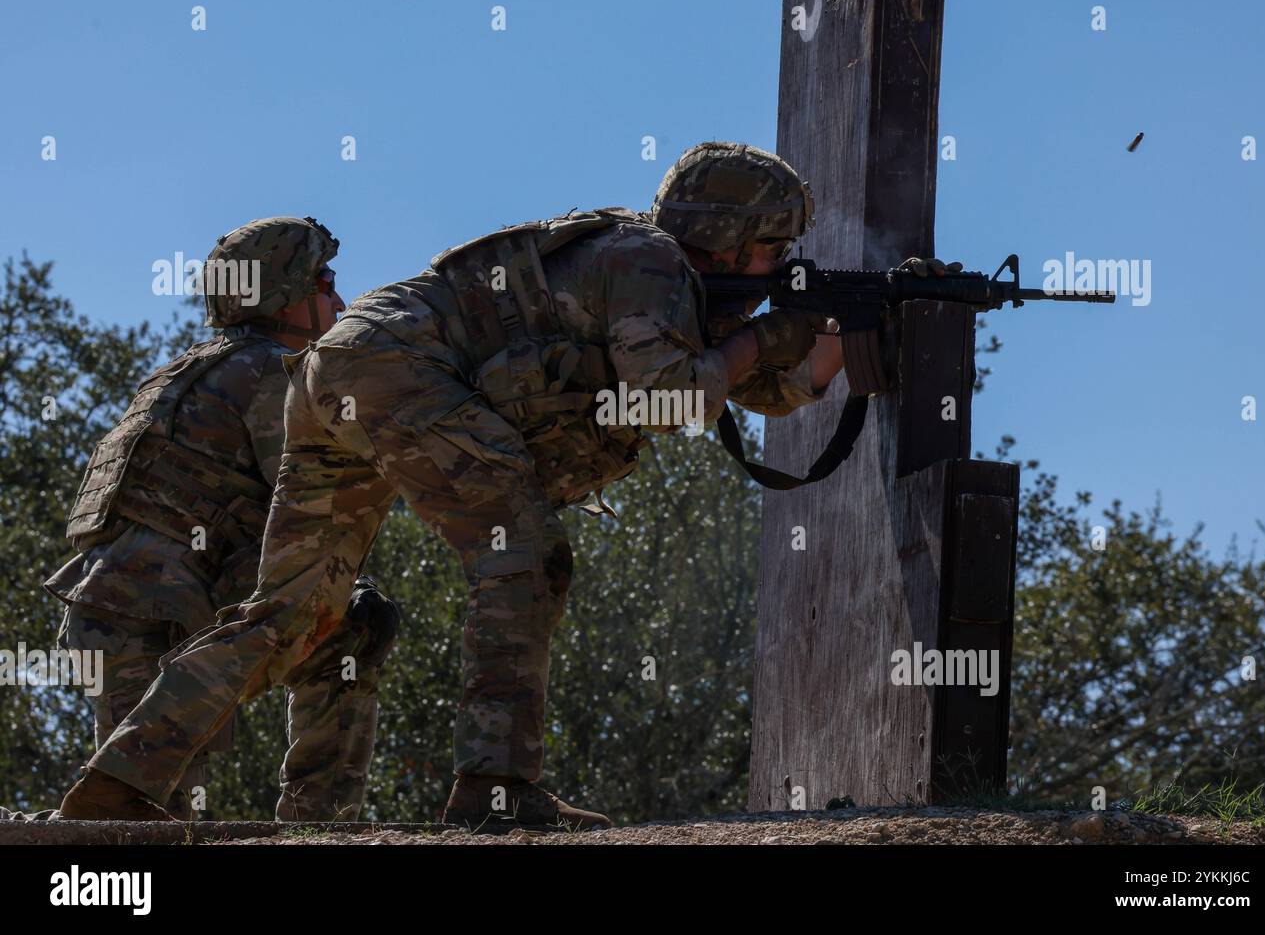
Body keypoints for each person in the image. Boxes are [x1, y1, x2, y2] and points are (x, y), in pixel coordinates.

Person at [59, 143, 841, 829]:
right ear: (728, 241)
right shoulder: (652, 261)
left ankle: (121, 784)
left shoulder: (663, 280)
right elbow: (665, 398)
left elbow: (751, 383)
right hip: (396, 372)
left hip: (339, 371)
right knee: (525, 555)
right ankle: (494, 790)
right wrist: (757, 339)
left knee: (300, 612)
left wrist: (833, 345)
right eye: (774, 246)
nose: (780, 263)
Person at [49, 216, 399, 821]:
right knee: (359, 621)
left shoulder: (180, 372)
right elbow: (311, 505)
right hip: (176, 616)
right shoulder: (274, 374)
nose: (340, 301)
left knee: (141, 825)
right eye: (324, 282)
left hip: (108, 614)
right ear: (282, 292)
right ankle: (320, 820)